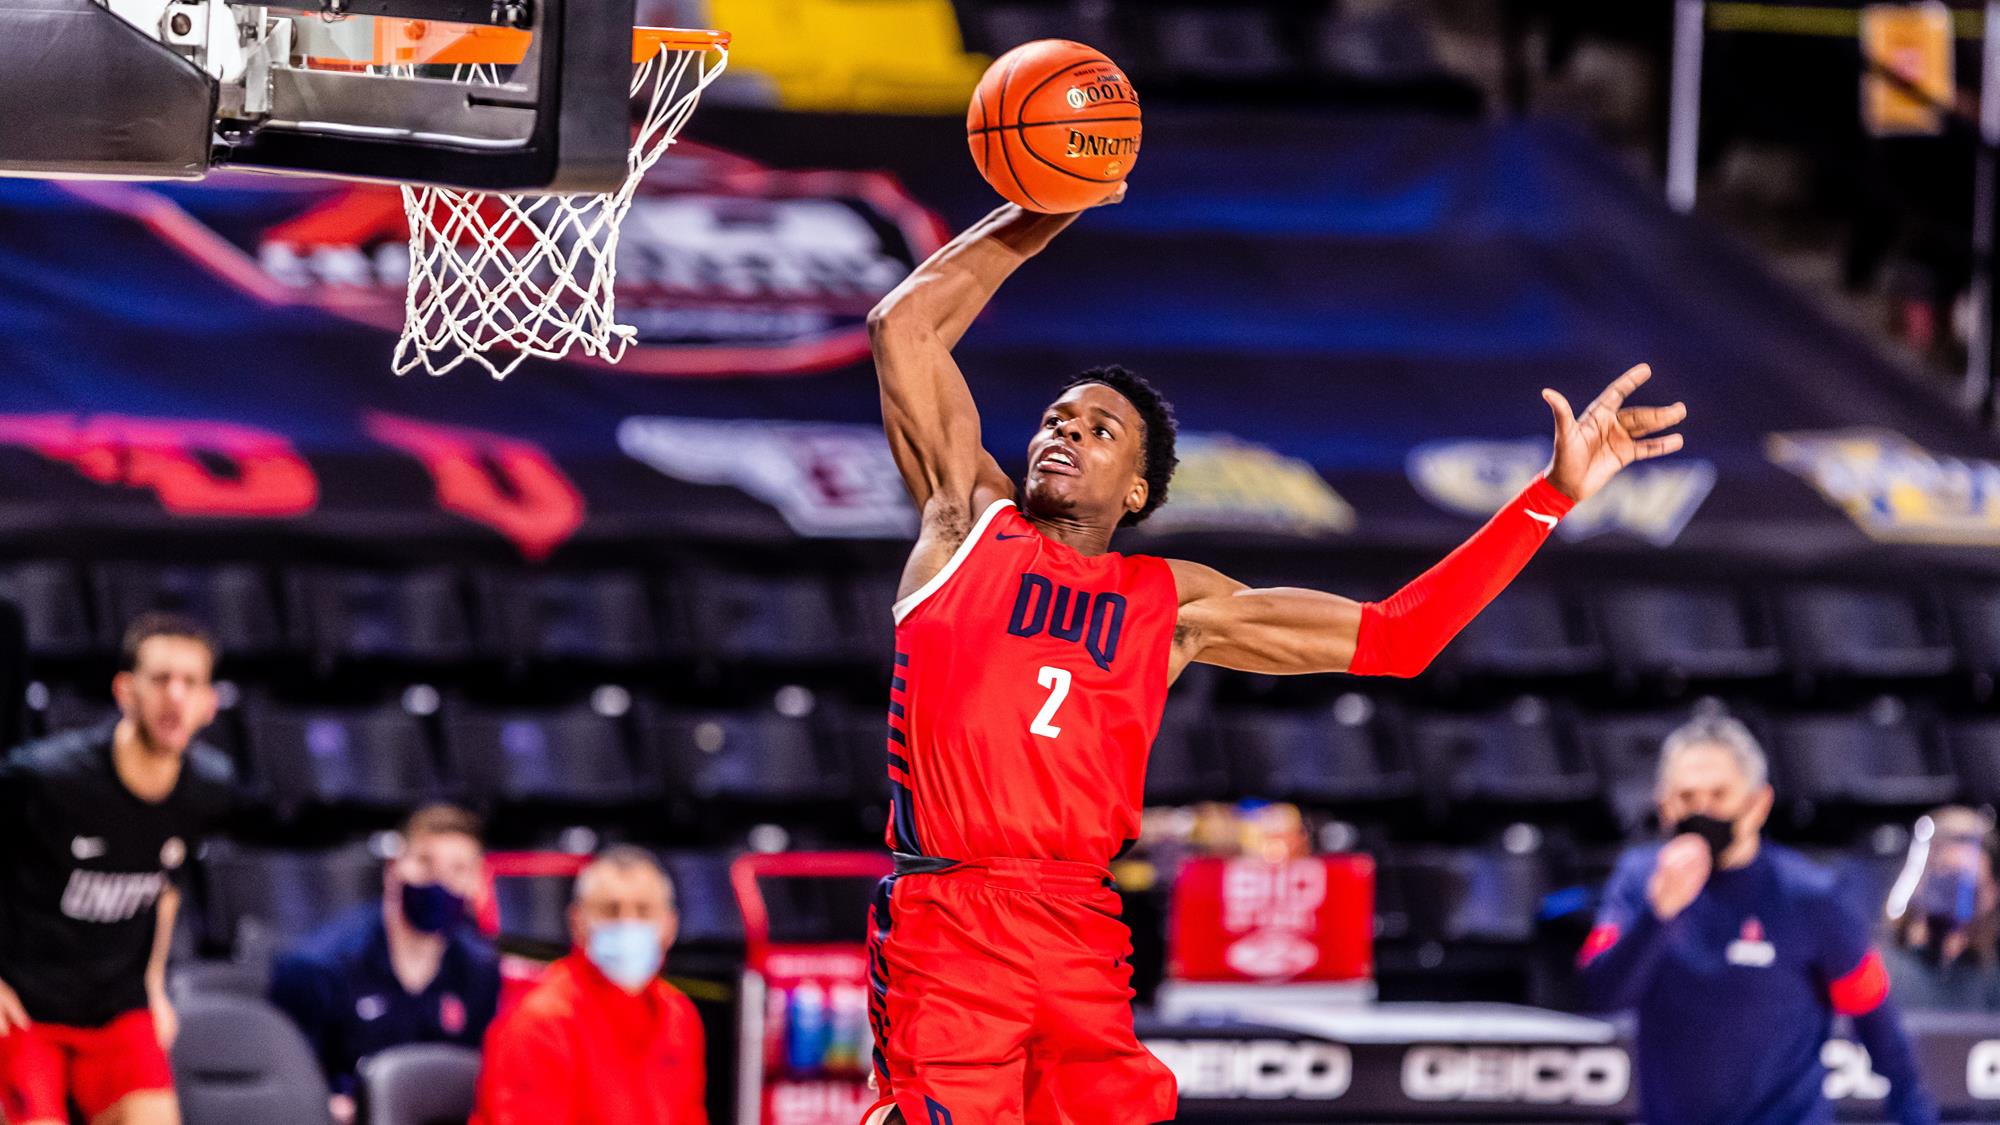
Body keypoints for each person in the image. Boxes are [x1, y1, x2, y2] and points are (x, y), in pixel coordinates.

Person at [859, 192, 1687, 1125]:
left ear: (1136, 488)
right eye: (1056, 416)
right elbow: (905, 325)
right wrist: (1047, 203)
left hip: (1079, 929)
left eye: (1099, 429)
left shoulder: (1173, 602)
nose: (1065, 431)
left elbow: (1395, 637)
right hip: (952, 915)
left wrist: (1547, 499)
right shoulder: (966, 523)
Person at [1577, 713, 1938, 1125]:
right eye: (1687, 797)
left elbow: (1874, 1014)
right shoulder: (1640, 879)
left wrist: (1914, 1113)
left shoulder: (1810, 895)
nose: (1701, 811)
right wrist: (1657, 915)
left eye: (1718, 796)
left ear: (1758, 803)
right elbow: (1602, 994)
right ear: (1663, 805)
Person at [0, 613, 234, 1125]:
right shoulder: (46, 778)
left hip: (117, 1009)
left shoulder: (210, 787)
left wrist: (154, 983)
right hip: (26, 1009)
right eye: (160, 679)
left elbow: (166, 887)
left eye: (191, 682)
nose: (175, 696)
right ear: (125, 691)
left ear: (209, 705)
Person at [269, 803, 500, 1124]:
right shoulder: (319, 967)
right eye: (425, 862)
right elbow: (286, 1088)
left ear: (478, 882)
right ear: (394, 868)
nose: (440, 881)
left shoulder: (481, 971)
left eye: (458, 869)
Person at [470, 846, 705, 1125]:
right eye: (610, 910)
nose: (627, 922)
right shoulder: (540, 1022)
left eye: (643, 910)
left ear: (670, 925)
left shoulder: (680, 1017)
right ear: (577, 922)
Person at [1881, 805, 2000, 1011]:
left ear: (1992, 893)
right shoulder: (1877, 977)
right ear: (1916, 880)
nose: (1953, 896)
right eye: (1945, 875)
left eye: (1968, 886)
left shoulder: (1992, 987)